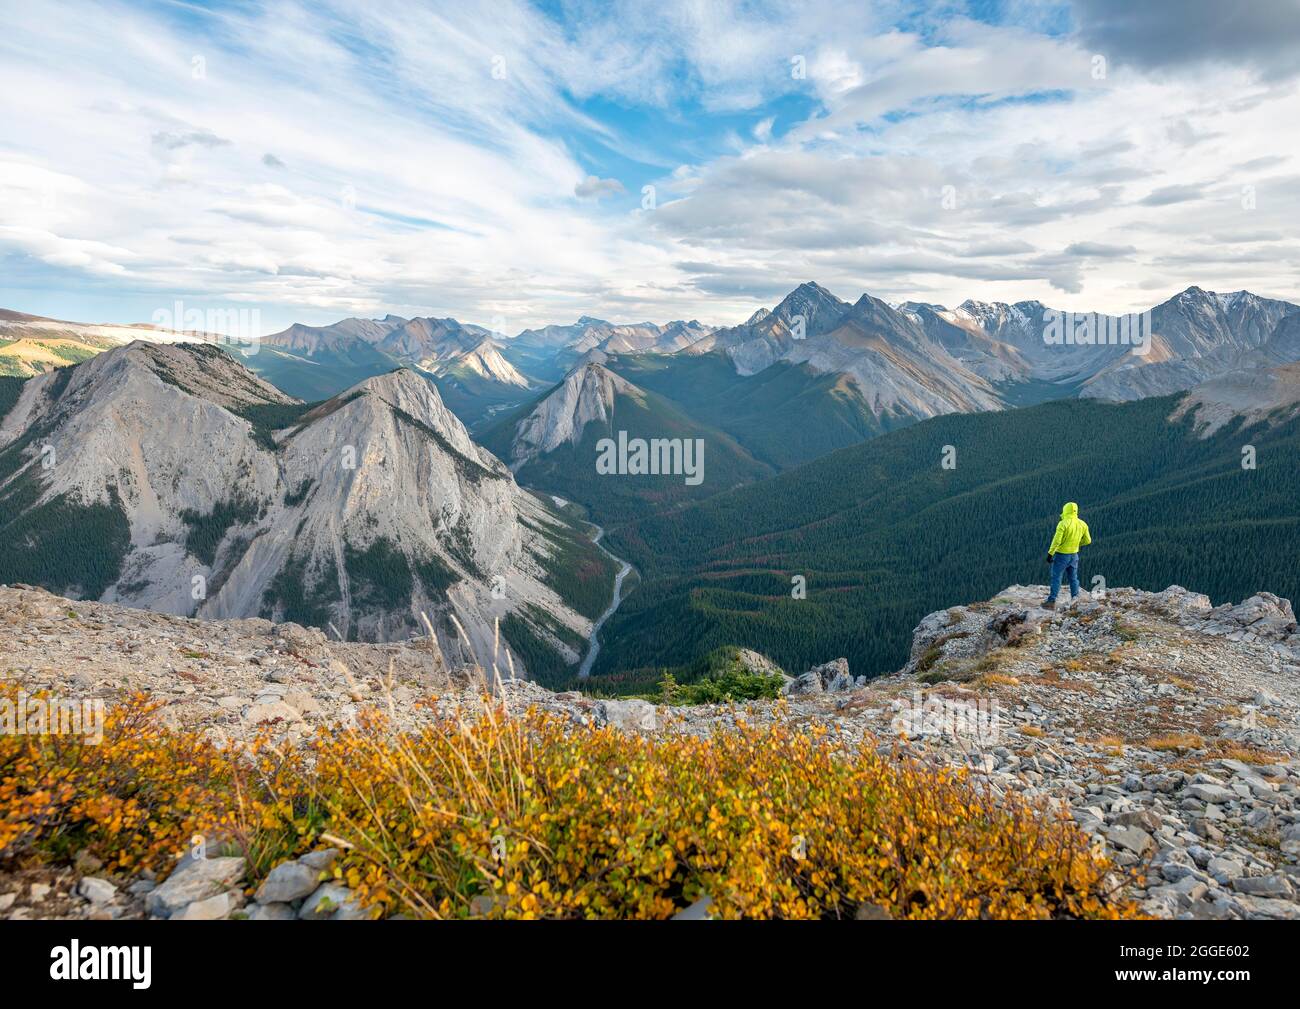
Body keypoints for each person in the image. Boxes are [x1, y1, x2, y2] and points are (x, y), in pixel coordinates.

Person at [1043, 501, 1091, 609]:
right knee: (1073, 577)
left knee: (1056, 577)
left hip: (1061, 555)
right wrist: (1077, 544)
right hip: (1074, 555)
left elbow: (1056, 541)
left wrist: (1050, 553)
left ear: (1065, 510)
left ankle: (1051, 601)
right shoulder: (1082, 524)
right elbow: (1088, 540)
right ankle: (1075, 598)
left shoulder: (1063, 523)